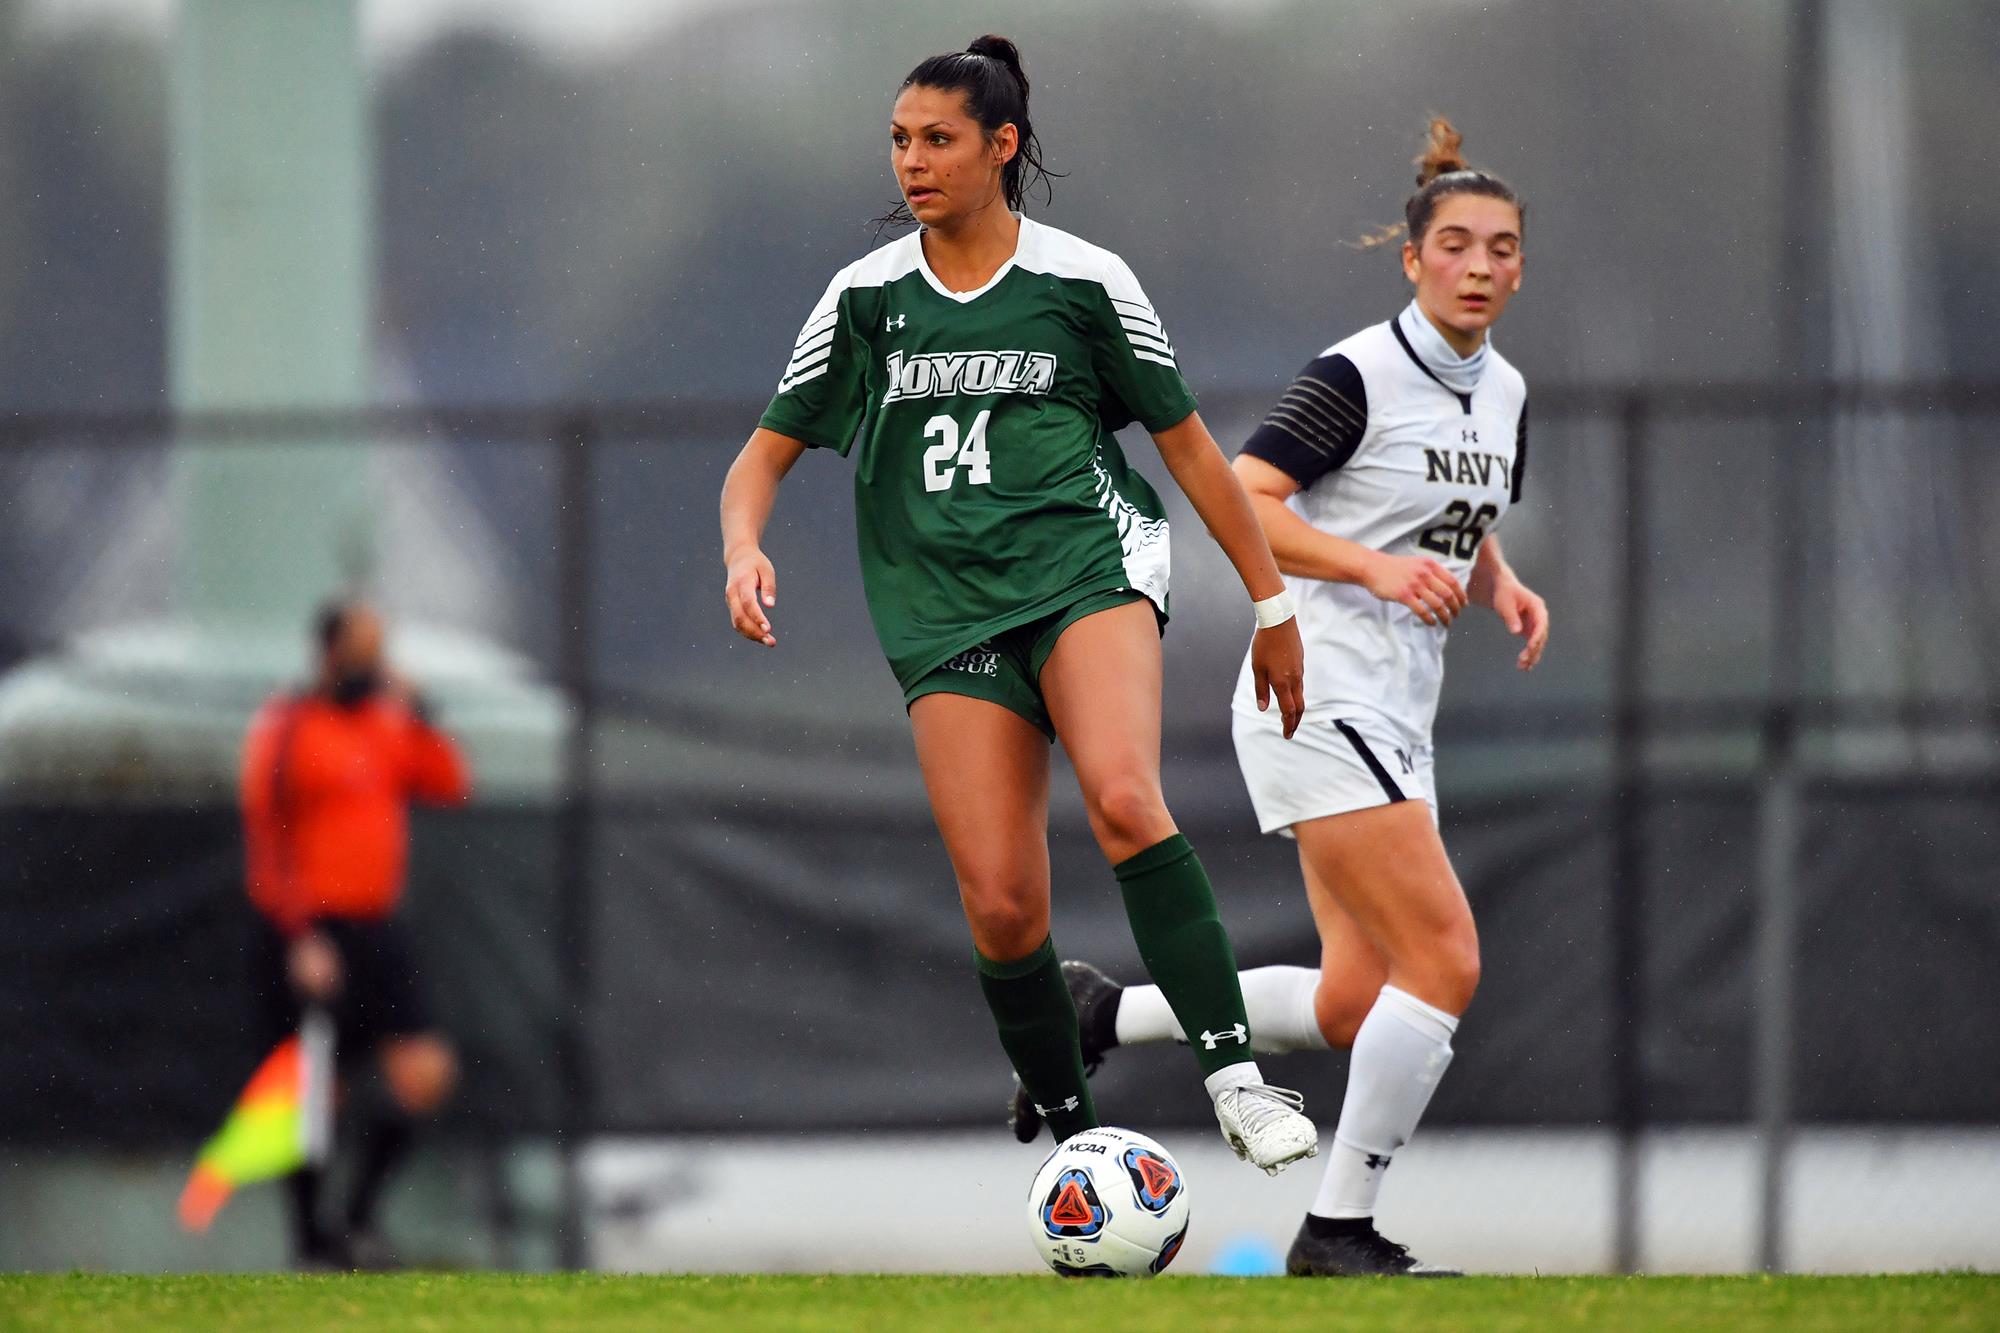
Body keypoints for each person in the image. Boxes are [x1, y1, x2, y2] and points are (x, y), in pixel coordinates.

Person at [719, 35, 1318, 1173]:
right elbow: (758, 459)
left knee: (1125, 797)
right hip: (941, 615)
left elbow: (1192, 454)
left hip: (1084, 571)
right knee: (1000, 905)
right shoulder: (863, 298)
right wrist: (742, 548)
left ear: (1001, 147)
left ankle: (1236, 1083)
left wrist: (1272, 605)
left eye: (937, 139)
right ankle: (1080, 1155)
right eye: (898, 140)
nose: (912, 161)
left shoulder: (1082, 280)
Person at [1011, 119, 1548, 1275]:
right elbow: (1246, 500)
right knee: (1443, 961)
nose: (1477, 265)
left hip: (1397, 714)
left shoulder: (1502, 390)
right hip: (1317, 691)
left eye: (1499, 248)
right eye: (1453, 243)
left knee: (1357, 1002)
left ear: (1516, 265)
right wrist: (1365, 569)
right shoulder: (1359, 373)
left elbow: (1447, 520)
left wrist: (1497, 580)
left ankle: (1102, 1014)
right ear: (1411, 259)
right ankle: (1337, 1230)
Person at [240, 599, 471, 1267]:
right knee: (316, 1092)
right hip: (313, 930)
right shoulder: (287, 725)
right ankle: (310, 1240)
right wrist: (299, 934)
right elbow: (267, 835)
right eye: (364, 648)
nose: (375, 662)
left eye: (381, 649)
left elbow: (451, 781)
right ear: (330, 651)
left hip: (379, 927)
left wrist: (422, 709)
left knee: (424, 1071)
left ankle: (357, 1218)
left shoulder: (386, 723)